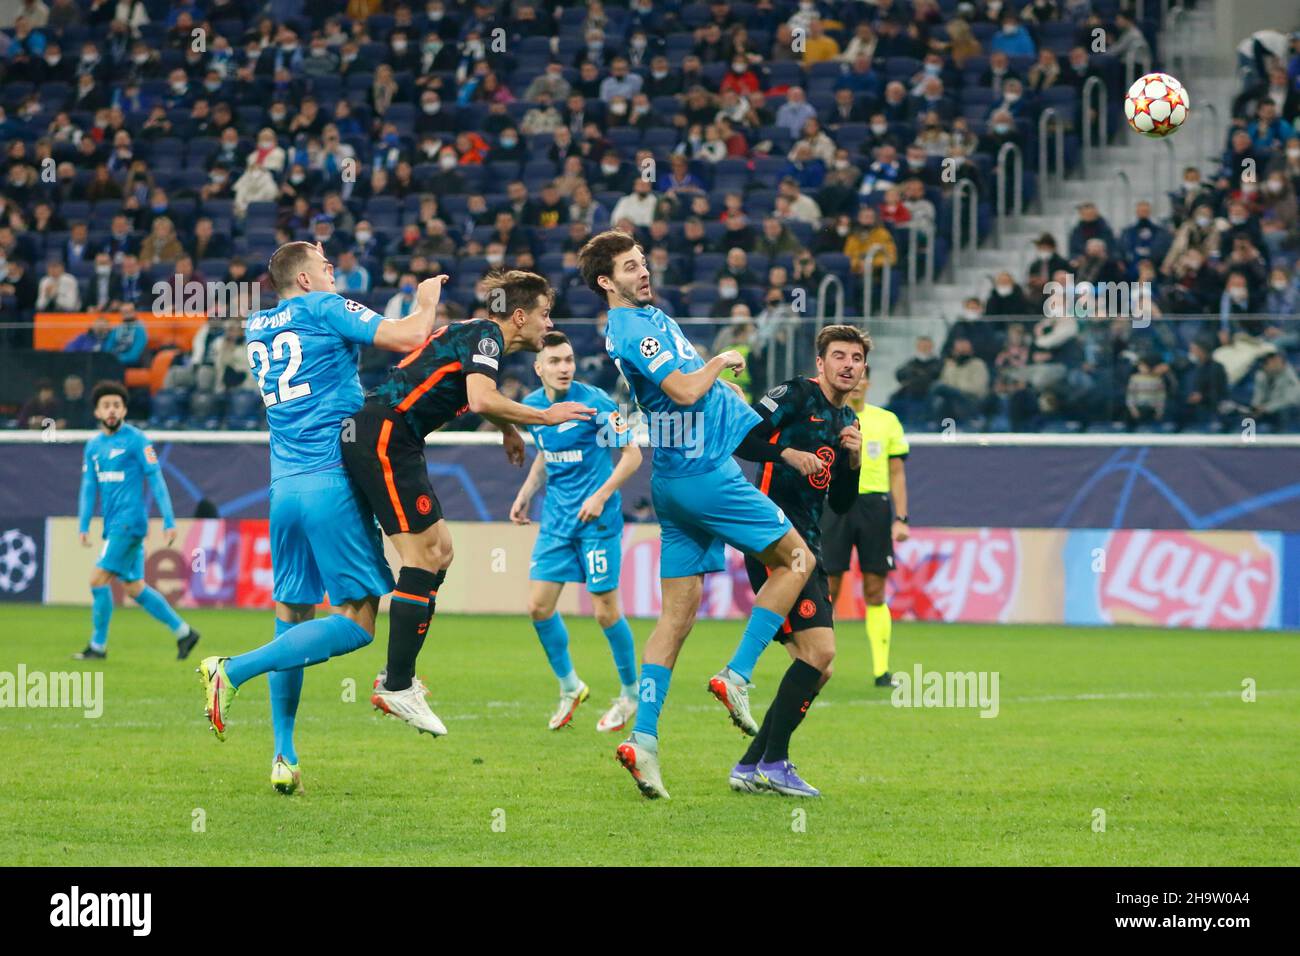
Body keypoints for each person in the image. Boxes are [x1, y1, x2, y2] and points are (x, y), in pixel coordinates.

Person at [196, 240, 446, 795]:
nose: (334, 273)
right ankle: (230, 671)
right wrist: (426, 300)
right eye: (326, 266)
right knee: (358, 622)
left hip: (282, 487)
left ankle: (283, 755)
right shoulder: (321, 307)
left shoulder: (260, 324)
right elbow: (407, 336)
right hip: (332, 481)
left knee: (293, 614)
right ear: (306, 280)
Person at [579, 229, 813, 800]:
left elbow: (692, 399)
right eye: (630, 267)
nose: (644, 271)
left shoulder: (648, 318)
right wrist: (719, 361)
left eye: (643, 262)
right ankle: (737, 675)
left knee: (676, 618)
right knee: (797, 558)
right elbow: (684, 390)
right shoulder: (631, 328)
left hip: (677, 481)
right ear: (606, 282)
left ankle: (645, 740)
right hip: (706, 476)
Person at [340, 270, 595, 739]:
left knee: (441, 551)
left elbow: (474, 392)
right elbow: (480, 399)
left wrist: (508, 429)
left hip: (396, 438)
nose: (548, 322)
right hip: (384, 435)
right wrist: (543, 416)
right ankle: (396, 685)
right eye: (543, 314)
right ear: (519, 316)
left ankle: (399, 677)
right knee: (421, 557)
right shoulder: (485, 337)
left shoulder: (479, 340)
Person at [725, 324, 867, 797]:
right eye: (840, 356)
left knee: (819, 666)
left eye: (857, 359)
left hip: (809, 544)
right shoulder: (794, 395)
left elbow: (842, 504)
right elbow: (741, 439)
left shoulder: (848, 421)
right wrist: (786, 452)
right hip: (773, 542)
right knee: (821, 654)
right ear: (821, 362)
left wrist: (853, 461)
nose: (849, 365)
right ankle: (774, 761)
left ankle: (752, 765)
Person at [509, 331, 644, 732]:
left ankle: (631, 692)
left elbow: (632, 455)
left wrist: (601, 495)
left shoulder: (596, 403)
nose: (564, 367)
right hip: (556, 521)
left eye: (568, 359)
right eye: (555, 361)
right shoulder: (533, 408)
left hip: (597, 521)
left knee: (605, 612)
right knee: (538, 607)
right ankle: (571, 686)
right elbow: (545, 457)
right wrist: (525, 493)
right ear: (539, 368)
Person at [74, 380, 199, 661]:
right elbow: (88, 487)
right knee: (134, 587)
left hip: (129, 523)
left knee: (97, 580)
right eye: (106, 405)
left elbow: (156, 478)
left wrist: (168, 519)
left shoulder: (138, 441)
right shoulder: (93, 447)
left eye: (116, 405)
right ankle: (184, 632)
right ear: (97, 412)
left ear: (124, 410)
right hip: (113, 525)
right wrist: (83, 524)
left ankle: (97, 646)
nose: (111, 410)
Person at [822, 364, 910, 687]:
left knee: (875, 588)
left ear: (867, 382)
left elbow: (897, 473)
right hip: (835, 504)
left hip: (875, 506)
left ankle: (881, 670)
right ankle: (820, 663)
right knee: (828, 587)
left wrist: (901, 518)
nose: (855, 384)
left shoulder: (887, 421)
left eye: (860, 377)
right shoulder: (827, 416)